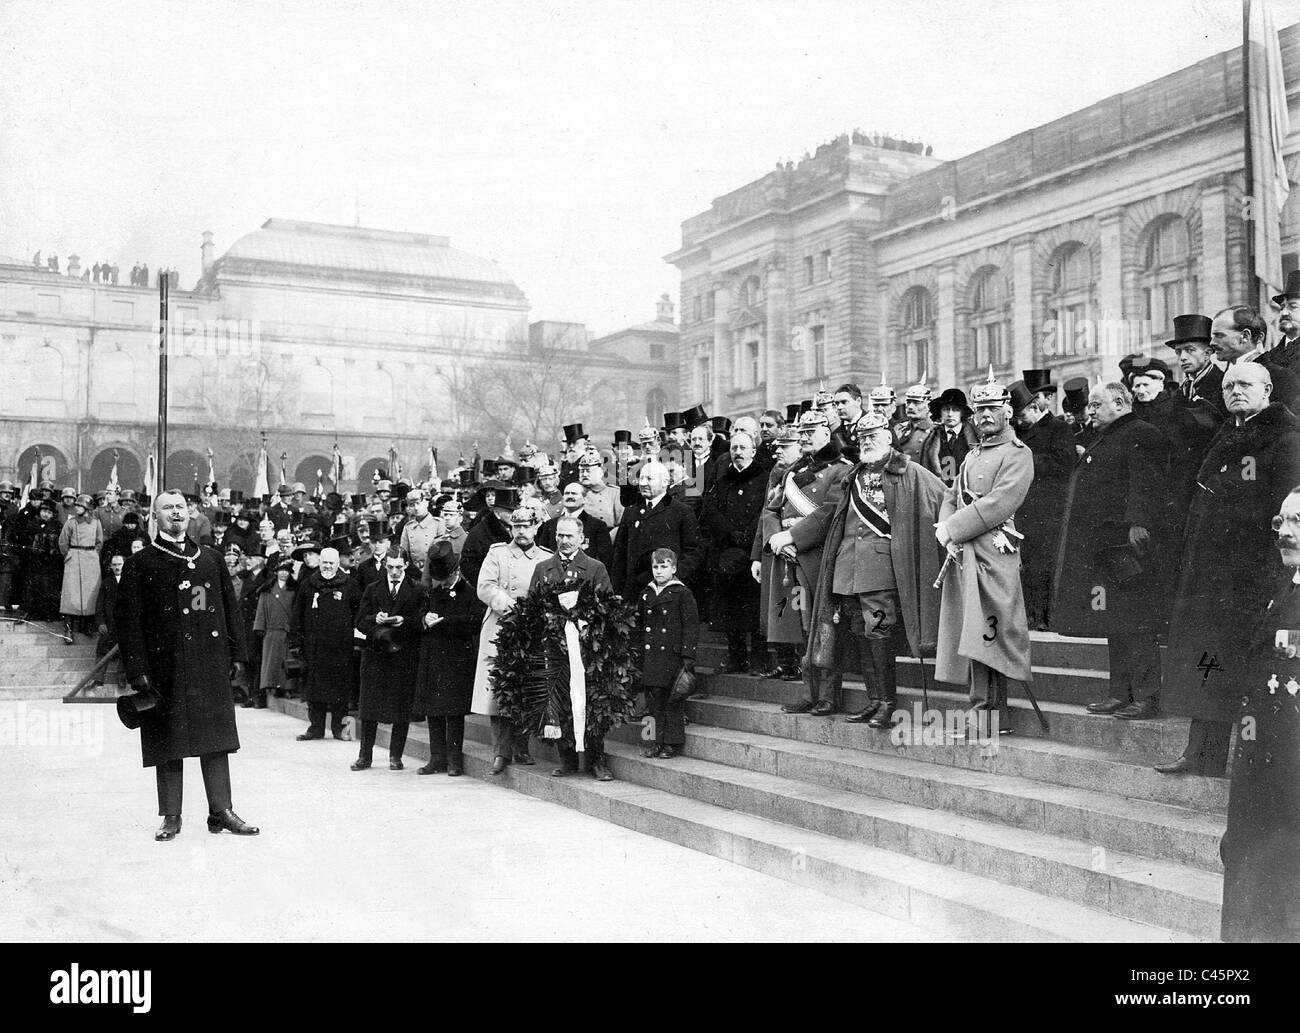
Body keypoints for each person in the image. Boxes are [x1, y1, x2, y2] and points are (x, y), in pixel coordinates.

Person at [1159, 362, 1300, 775]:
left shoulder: (1286, 440)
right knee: (1209, 663)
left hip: (1253, 579)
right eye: (1228, 386)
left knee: (1256, 670)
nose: (1235, 391)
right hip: (1212, 577)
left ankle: (1263, 765)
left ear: (1268, 389)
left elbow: (1287, 514)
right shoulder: (1228, 435)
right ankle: (1202, 754)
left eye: (1244, 384)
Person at [114, 489, 257, 841]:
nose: (175, 514)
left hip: (209, 663)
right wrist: (138, 670)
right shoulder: (140, 564)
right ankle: (171, 816)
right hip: (166, 667)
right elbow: (129, 623)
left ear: (190, 514)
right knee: (167, 740)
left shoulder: (210, 558)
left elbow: (229, 611)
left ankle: (221, 811)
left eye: (180, 508)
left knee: (216, 738)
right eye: (167, 509)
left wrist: (237, 656)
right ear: (155, 516)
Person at [806, 411, 945, 727]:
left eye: (873, 437)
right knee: (860, 635)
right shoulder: (853, 475)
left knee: (879, 633)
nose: (867, 443)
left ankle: (888, 703)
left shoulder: (909, 471)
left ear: (888, 437)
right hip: (848, 570)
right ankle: (873, 700)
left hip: (881, 570)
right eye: (862, 438)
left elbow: (943, 498)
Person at [1053, 381, 1171, 720]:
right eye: (1090, 405)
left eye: (1096, 404)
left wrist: (1139, 523)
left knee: (1137, 622)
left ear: (1120, 403)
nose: (1089, 410)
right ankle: (1120, 693)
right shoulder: (1106, 437)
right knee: (1115, 621)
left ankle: (1147, 698)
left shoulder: (1141, 432)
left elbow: (1147, 483)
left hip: (1126, 545)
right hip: (1105, 547)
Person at [1219, 487, 1300, 942]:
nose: (1285, 533)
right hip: (1263, 794)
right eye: (1281, 522)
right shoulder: (1285, 589)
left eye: (1298, 522)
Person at [934, 373, 1034, 731]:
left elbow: (998, 503)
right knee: (974, 630)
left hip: (994, 554)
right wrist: (945, 529)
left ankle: (993, 714)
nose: (985, 415)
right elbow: (951, 494)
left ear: (1008, 411)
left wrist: (954, 527)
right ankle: (982, 711)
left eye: (993, 408)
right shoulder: (972, 455)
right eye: (980, 409)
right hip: (965, 553)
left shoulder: (1018, 454)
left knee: (994, 630)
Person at [765, 409, 854, 714]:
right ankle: (809, 692)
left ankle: (828, 695)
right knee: (802, 627)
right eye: (801, 432)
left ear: (826, 434)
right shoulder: (794, 471)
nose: (804, 437)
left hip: (819, 558)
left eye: (811, 431)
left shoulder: (840, 470)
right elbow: (772, 510)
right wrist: (777, 539)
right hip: (791, 561)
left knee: (824, 625)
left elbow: (830, 511)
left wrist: (792, 538)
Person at [471, 506, 552, 775]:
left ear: (536, 527)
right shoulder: (497, 553)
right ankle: (500, 751)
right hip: (500, 626)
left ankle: (521, 746)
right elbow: (485, 586)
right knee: (499, 691)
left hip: (531, 630)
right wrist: (510, 606)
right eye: (516, 526)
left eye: (527, 526)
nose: (521, 531)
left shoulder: (545, 558)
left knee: (526, 687)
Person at [1008, 380, 1076, 630]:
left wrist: (1024, 461)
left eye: (1023, 414)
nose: (1020, 420)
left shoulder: (1058, 428)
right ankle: (1031, 616)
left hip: (1049, 509)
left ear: (1035, 407)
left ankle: (1047, 617)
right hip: (1026, 509)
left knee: (1046, 564)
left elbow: (1064, 462)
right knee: (1028, 564)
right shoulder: (1020, 432)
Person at [413, 541, 483, 777]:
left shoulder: (470, 593)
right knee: (433, 711)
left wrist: (446, 621)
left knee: (453, 713)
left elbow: (475, 623)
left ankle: (454, 760)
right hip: (433, 659)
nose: (441, 582)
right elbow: (417, 619)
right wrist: (425, 619)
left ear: (456, 572)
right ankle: (436, 758)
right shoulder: (432, 593)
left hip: (457, 660)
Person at [699, 428, 766, 673]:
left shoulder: (763, 478)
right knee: (730, 609)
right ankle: (736, 659)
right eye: (734, 448)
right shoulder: (721, 479)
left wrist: (747, 536)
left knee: (754, 608)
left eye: (743, 448)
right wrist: (729, 533)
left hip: (752, 552)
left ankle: (758, 661)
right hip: (726, 550)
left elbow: (765, 511)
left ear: (753, 451)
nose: (738, 453)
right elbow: (709, 509)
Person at [353, 552, 425, 771]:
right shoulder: (373, 589)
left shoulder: (417, 590)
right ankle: (365, 757)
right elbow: (359, 621)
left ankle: (396, 756)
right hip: (376, 654)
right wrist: (374, 619)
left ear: (406, 566)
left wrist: (405, 621)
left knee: (400, 707)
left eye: (399, 568)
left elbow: (422, 621)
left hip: (402, 655)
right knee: (369, 709)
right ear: (385, 565)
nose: (394, 572)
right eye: (391, 567)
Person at [631, 548, 699, 761]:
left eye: (664, 567)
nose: (659, 571)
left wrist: (688, 657)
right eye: (655, 567)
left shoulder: (682, 593)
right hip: (650, 658)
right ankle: (650, 741)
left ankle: (670, 743)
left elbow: (691, 626)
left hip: (672, 657)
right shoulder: (646, 592)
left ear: (674, 568)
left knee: (672, 702)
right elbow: (639, 625)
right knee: (651, 704)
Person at [288, 546, 360, 741]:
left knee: (340, 691)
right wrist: (295, 643)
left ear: (338, 564)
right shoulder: (307, 585)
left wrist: (355, 642)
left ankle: (340, 729)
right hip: (314, 647)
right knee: (313, 689)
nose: (327, 566)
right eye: (324, 563)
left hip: (340, 648)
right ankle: (316, 728)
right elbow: (297, 615)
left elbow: (358, 615)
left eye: (331, 563)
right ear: (319, 563)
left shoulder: (350, 585)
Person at [750, 424, 804, 680]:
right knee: (778, 609)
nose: (777, 453)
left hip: (796, 547)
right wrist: (756, 556)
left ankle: (800, 661)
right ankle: (785, 661)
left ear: (799, 447)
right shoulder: (777, 472)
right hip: (773, 549)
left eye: (784, 448)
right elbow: (766, 514)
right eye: (777, 448)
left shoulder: (803, 473)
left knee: (796, 608)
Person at [611, 462, 702, 598]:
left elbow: (694, 551)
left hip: (667, 591)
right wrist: (617, 590)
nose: (643, 483)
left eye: (649, 479)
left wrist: (673, 578)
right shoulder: (631, 512)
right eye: (641, 479)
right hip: (633, 591)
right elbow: (620, 553)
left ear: (665, 482)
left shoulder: (682, 511)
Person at [1210, 305, 1300, 410]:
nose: (1212, 343)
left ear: (1245, 336)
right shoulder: (1218, 380)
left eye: (1220, 335)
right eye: (1213, 336)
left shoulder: (1280, 377)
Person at [536, 483, 613, 568]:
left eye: (574, 493)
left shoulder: (597, 525)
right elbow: (542, 555)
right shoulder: (550, 524)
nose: (570, 496)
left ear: (584, 499)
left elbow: (605, 560)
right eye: (566, 493)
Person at [530, 514, 612, 593]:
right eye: (560, 536)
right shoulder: (542, 568)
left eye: (569, 536)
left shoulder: (596, 568)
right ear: (555, 536)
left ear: (581, 538)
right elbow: (531, 603)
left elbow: (606, 603)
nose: (564, 541)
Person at [59, 493, 103, 637]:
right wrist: (69, 556)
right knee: (71, 593)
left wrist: (93, 555)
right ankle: (68, 628)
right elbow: (63, 542)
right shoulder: (70, 523)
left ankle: (87, 626)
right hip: (74, 557)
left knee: (90, 592)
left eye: (80, 505)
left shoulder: (96, 523)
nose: (76, 508)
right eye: (76, 505)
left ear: (87, 508)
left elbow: (99, 541)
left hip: (90, 560)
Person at [1166, 313, 1227, 416]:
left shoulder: (1223, 384)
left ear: (1207, 354)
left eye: (1190, 350)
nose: (1182, 357)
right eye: (1178, 352)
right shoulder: (1181, 390)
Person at [253, 560, 296, 702]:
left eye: (287, 571)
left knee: (286, 660)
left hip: (286, 631)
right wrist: (260, 627)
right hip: (271, 631)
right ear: (276, 572)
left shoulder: (293, 590)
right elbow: (260, 611)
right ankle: (271, 685)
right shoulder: (267, 590)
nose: (284, 573)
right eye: (281, 570)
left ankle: (287, 687)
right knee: (271, 660)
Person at [922, 388, 978, 485]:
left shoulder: (975, 438)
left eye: (955, 410)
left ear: (962, 413)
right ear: (940, 412)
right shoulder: (931, 439)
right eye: (946, 409)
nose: (950, 414)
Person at [22, 497, 63, 621]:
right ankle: (32, 612)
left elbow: (60, 544)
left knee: (49, 588)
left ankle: (49, 613)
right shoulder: (32, 524)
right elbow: (26, 541)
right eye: (44, 511)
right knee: (33, 586)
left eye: (49, 512)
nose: (46, 514)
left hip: (50, 563)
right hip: (35, 562)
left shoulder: (57, 526)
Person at [93, 553, 126, 689]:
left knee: (127, 651)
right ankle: (98, 679)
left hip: (125, 625)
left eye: (120, 564)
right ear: (111, 566)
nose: (117, 567)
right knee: (102, 650)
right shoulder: (106, 583)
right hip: (109, 624)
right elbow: (99, 605)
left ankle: (122, 678)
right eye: (115, 565)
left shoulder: (130, 581)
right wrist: (100, 623)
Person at [398, 488, 443, 579]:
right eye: (412, 505)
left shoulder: (438, 523)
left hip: (435, 571)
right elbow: (403, 553)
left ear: (426, 503)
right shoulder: (408, 527)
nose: (416, 508)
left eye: (418, 503)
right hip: (415, 573)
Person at [577, 448, 624, 530]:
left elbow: (621, 524)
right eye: (582, 471)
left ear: (600, 472)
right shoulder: (575, 491)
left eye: (588, 471)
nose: (584, 474)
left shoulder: (614, 493)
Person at [895, 376, 934, 461]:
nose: (910, 407)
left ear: (929, 406)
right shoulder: (898, 429)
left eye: (916, 403)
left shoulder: (936, 431)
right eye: (908, 402)